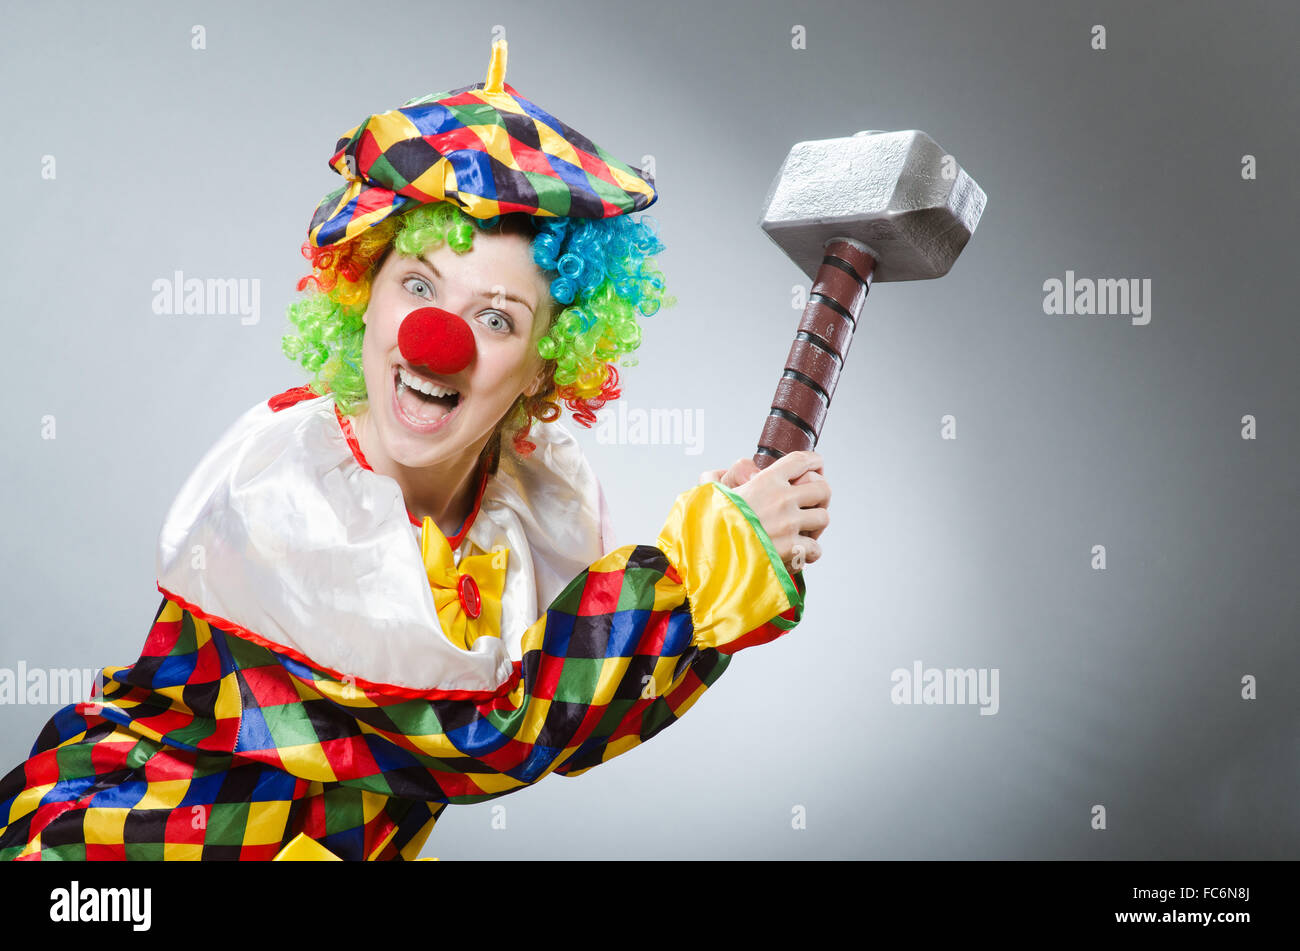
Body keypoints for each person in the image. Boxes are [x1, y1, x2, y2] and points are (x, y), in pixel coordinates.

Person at [0, 38, 830, 861]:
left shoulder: (531, 499)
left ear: (549, 361)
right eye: (420, 286)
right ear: (363, 289)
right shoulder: (287, 487)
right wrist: (706, 566)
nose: (436, 340)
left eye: (497, 316)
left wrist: (739, 535)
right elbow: (489, 730)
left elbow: (589, 685)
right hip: (109, 853)